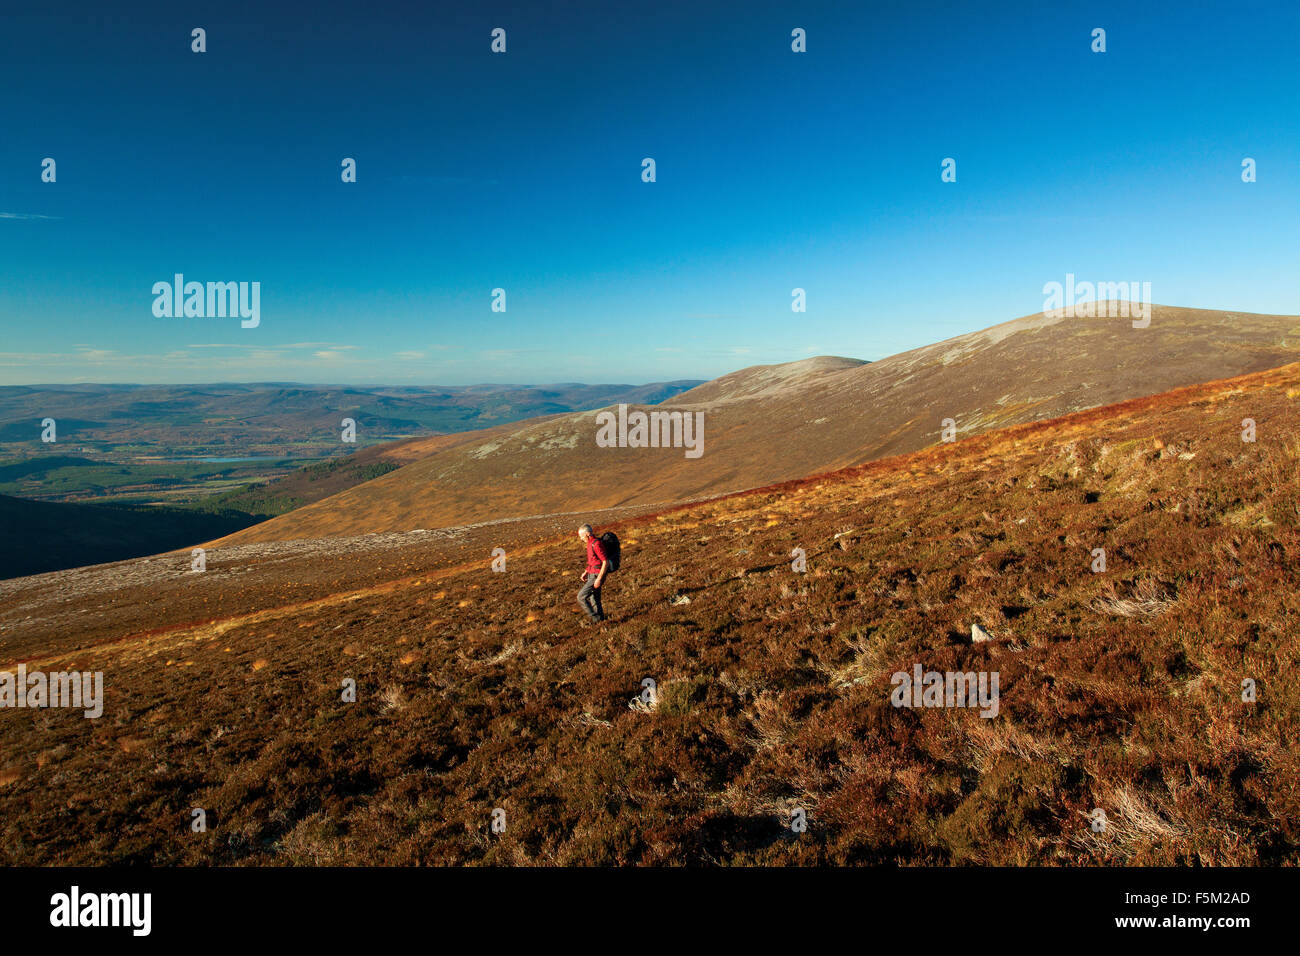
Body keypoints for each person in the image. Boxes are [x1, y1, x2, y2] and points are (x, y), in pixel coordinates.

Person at [576, 524, 608, 623]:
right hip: (591, 574)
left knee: (581, 597)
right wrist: (586, 572)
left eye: (581, 536)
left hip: (596, 575)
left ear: (587, 534)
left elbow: (605, 562)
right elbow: (592, 561)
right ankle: (602, 622)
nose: (581, 539)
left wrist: (599, 579)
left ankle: (595, 618)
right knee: (594, 599)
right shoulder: (590, 544)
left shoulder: (596, 544)